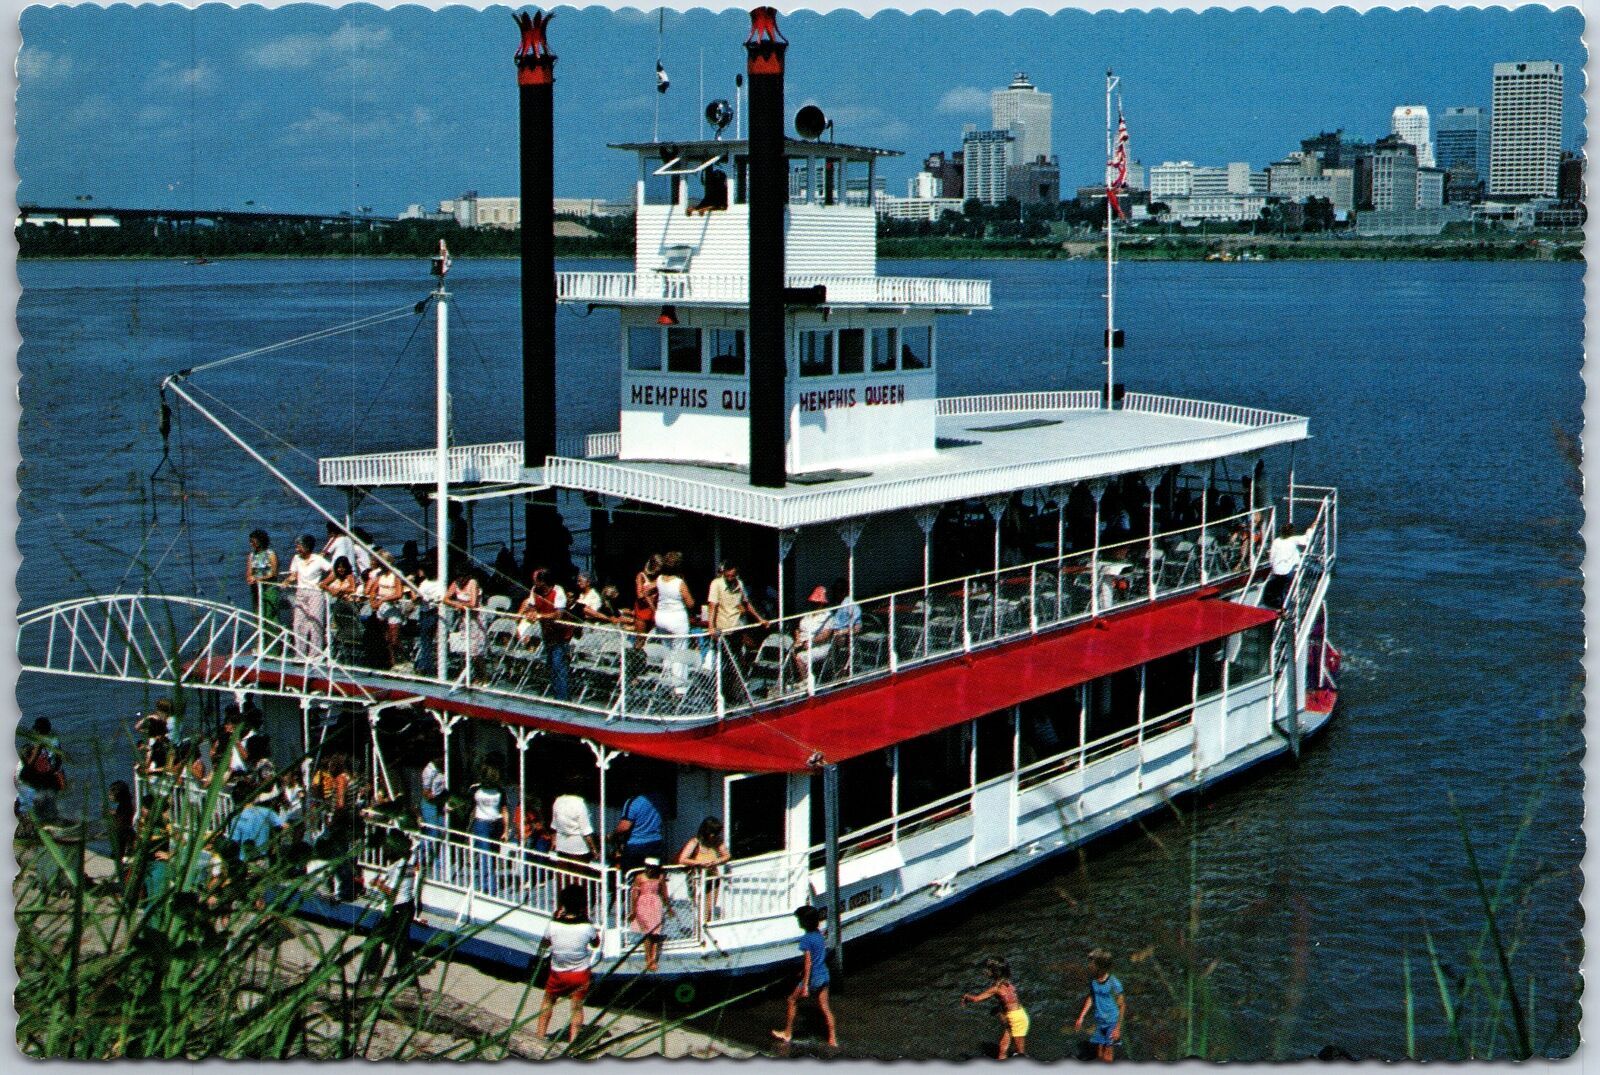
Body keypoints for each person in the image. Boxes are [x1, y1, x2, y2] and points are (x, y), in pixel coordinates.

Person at [535, 883, 602, 1045]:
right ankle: (573, 1043)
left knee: (548, 1001)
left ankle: (539, 1036)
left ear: (563, 904)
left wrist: (555, 918)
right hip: (580, 973)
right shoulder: (587, 927)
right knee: (577, 1007)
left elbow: (544, 944)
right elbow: (596, 943)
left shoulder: (553, 925)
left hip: (558, 972)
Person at [771, 905, 836, 1048]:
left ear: (805, 922)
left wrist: (805, 986)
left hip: (813, 978)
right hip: (824, 975)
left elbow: (808, 963)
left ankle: (787, 1033)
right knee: (825, 1007)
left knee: (791, 1000)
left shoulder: (806, 939)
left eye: (799, 919)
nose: (798, 922)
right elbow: (818, 956)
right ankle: (832, 1039)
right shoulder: (819, 934)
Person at [360, 832, 419, 983]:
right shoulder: (408, 865)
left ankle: (372, 972)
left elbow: (392, 892)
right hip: (407, 905)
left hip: (397, 907)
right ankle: (407, 977)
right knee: (401, 943)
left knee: (375, 938)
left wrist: (378, 884)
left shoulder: (397, 867)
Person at [523, 568, 574, 701]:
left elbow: (558, 614)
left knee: (559, 666)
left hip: (561, 635)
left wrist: (540, 616)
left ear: (543, 581)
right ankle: (556, 695)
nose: (533, 583)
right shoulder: (535, 590)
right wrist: (531, 612)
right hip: (547, 633)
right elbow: (530, 605)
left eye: (536, 580)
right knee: (551, 665)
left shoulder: (558, 591)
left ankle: (563, 699)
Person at [963, 956, 1029, 1059]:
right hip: (1017, 1015)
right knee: (1003, 1047)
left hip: (1016, 1019)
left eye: (988, 969)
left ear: (994, 972)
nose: (986, 971)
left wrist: (967, 997)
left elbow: (976, 999)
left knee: (1020, 1052)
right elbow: (1009, 1001)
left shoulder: (996, 989)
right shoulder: (1008, 984)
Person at [705, 561, 769, 659]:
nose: (730, 578)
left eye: (732, 576)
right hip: (723, 630)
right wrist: (711, 627)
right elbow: (712, 606)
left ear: (736, 575)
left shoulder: (740, 584)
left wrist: (760, 619)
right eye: (727, 576)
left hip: (737, 628)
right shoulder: (716, 584)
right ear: (724, 573)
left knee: (738, 657)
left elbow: (747, 604)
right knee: (724, 659)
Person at [676, 816, 731, 927]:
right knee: (701, 907)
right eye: (711, 832)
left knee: (710, 907)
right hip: (697, 878)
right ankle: (701, 930)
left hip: (712, 877)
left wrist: (716, 861)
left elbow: (727, 855)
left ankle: (708, 928)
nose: (712, 836)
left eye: (715, 833)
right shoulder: (695, 842)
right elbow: (682, 859)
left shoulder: (717, 841)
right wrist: (699, 863)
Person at [284, 535, 332, 657]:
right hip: (300, 593)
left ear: (307, 546)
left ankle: (315, 654)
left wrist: (324, 583)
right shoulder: (296, 558)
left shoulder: (318, 559)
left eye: (299, 546)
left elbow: (333, 571)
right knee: (299, 623)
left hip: (315, 594)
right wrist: (287, 581)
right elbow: (294, 575)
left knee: (315, 623)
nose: (297, 549)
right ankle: (300, 653)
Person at [1075, 947, 1126, 1063]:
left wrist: (1117, 1028)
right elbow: (1091, 998)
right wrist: (1081, 1016)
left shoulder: (1113, 983)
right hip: (1100, 1021)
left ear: (1100, 966)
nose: (1090, 967)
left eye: (1093, 964)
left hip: (1111, 1021)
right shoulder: (1093, 982)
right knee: (1099, 1051)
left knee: (1108, 1052)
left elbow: (1122, 1005)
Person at [469, 765, 509, 895]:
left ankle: (488, 883)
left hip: (496, 823)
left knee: (493, 856)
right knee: (485, 856)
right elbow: (471, 806)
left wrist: (506, 830)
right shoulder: (475, 789)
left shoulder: (500, 791)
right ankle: (489, 888)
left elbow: (504, 810)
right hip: (481, 824)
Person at [226, 780, 284, 865]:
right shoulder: (267, 812)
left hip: (245, 861)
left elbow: (234, 843)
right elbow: (284, 826)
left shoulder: (236, 819)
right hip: (264, 859)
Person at [610, 788, 665, 873]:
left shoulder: (633, 801)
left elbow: (624, 827)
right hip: (655, 843)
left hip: (636, 846)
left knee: (632, 875)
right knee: (653, 875)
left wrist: (612, 835)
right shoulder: (659, 798)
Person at [629, 858, 669, 972]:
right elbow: (635, 895)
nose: (650, 870)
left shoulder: (660, 877)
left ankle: (653, 958)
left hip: (656, 905)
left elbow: (664, 892)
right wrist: (633, 910)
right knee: (648, 933)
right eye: (649, 867)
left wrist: (669, 907)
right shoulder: (640, 877)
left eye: (653, 868)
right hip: (643, 905)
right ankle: (649, 959)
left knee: (655, 933)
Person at [791, 585, 835, 679]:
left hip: (820, 646)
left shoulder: (828, 616)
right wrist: (798, 639)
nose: (814, 605)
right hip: (801, 644)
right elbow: (797, 628)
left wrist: (811, 641)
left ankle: (806, 682)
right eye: (813, 602)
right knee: (786, 652)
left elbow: (826, 635)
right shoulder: (807, 614)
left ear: (822, 603)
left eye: (817, 603)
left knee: (800, 657)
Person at [1263, 523, 1310, 610]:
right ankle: (1291, 600)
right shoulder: (1293, 540)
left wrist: (1273, 567)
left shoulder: (1276, 541)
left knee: (1279, 587)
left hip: (1276, 571)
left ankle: (1280, 603)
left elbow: (1271, 557)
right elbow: (1306, 539)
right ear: (1291, 532)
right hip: (1287, 572)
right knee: (1291, 582)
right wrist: (1310, 529)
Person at [550, 779, 599, 863]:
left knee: (562, 874)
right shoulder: (579, 804)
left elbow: (554, 826)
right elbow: (586, 831)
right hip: (578, 848)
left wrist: (553, 844)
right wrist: (594, 851)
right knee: (578, 874)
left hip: (561, 845)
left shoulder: (558, 801)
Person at [246, 529, 280, 623]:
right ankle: (261, 635)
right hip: (256, 589)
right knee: (258, 614)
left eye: (253, 541)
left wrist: (259, 578)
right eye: (250, 541)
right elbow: (249, 572)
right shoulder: (251, 555)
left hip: (269, 589)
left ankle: (274, 635)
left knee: (270, 615)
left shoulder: (271, 554)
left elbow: (274, 573)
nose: (251, 544)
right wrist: (250, 578)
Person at [418, 748, 448, 838]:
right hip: (430, 804)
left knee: (444, 829)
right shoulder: (429, 771)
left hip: (440, 800)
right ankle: (425, 851)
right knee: (433, 832)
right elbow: (426, 791)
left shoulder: (443, 768)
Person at [106, 780, 137, 867]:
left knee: (119, 853)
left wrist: (113, 818)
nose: (109, 797)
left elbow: (122, 821)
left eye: (111, 795)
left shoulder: (125, 805)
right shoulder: (126, 804)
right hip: (124, 832)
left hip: (123, 833)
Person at [634, 555, 662, 635]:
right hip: (642, 608)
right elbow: (639, 595)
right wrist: (651, 588)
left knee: (652, 636)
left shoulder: (659, 577)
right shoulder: (641, 575)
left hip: (654, 607)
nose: (659, 569)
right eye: (658, 567)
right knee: (641, 637)